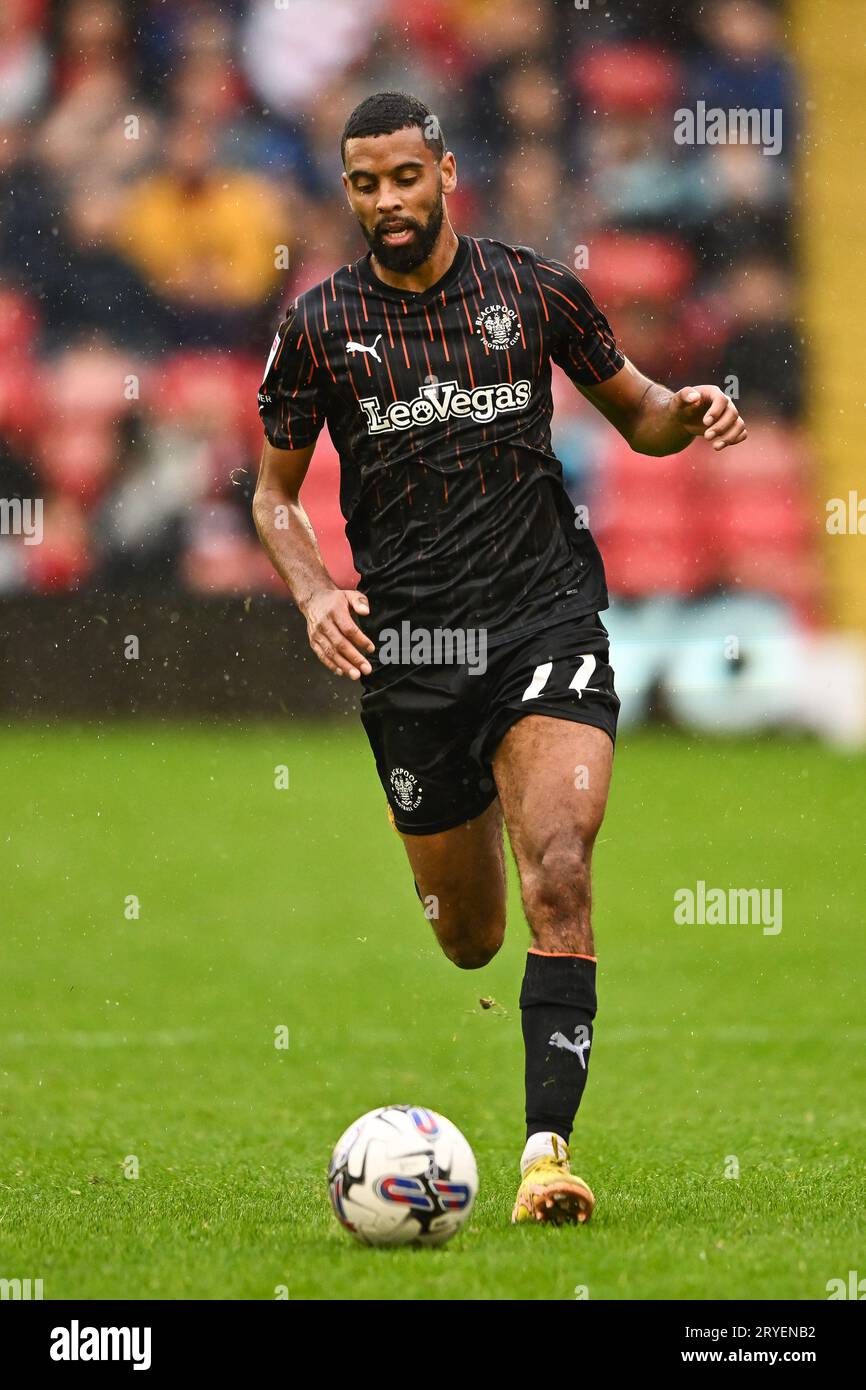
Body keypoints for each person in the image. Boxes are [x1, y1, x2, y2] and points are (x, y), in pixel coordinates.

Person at [253, 92, 747, 1226]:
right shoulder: (320, 326)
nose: (386, 202)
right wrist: (317, 586)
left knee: (560, 867)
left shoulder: (532, 292)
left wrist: (691, 406)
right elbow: (273, 496)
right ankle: (461, 788)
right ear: (348, 191)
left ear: (445, 171)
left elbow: (640, 415)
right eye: (364, 184)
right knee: (470, 937)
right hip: (416, 650)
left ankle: (544, 1155)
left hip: (543, 618)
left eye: (404, 178)